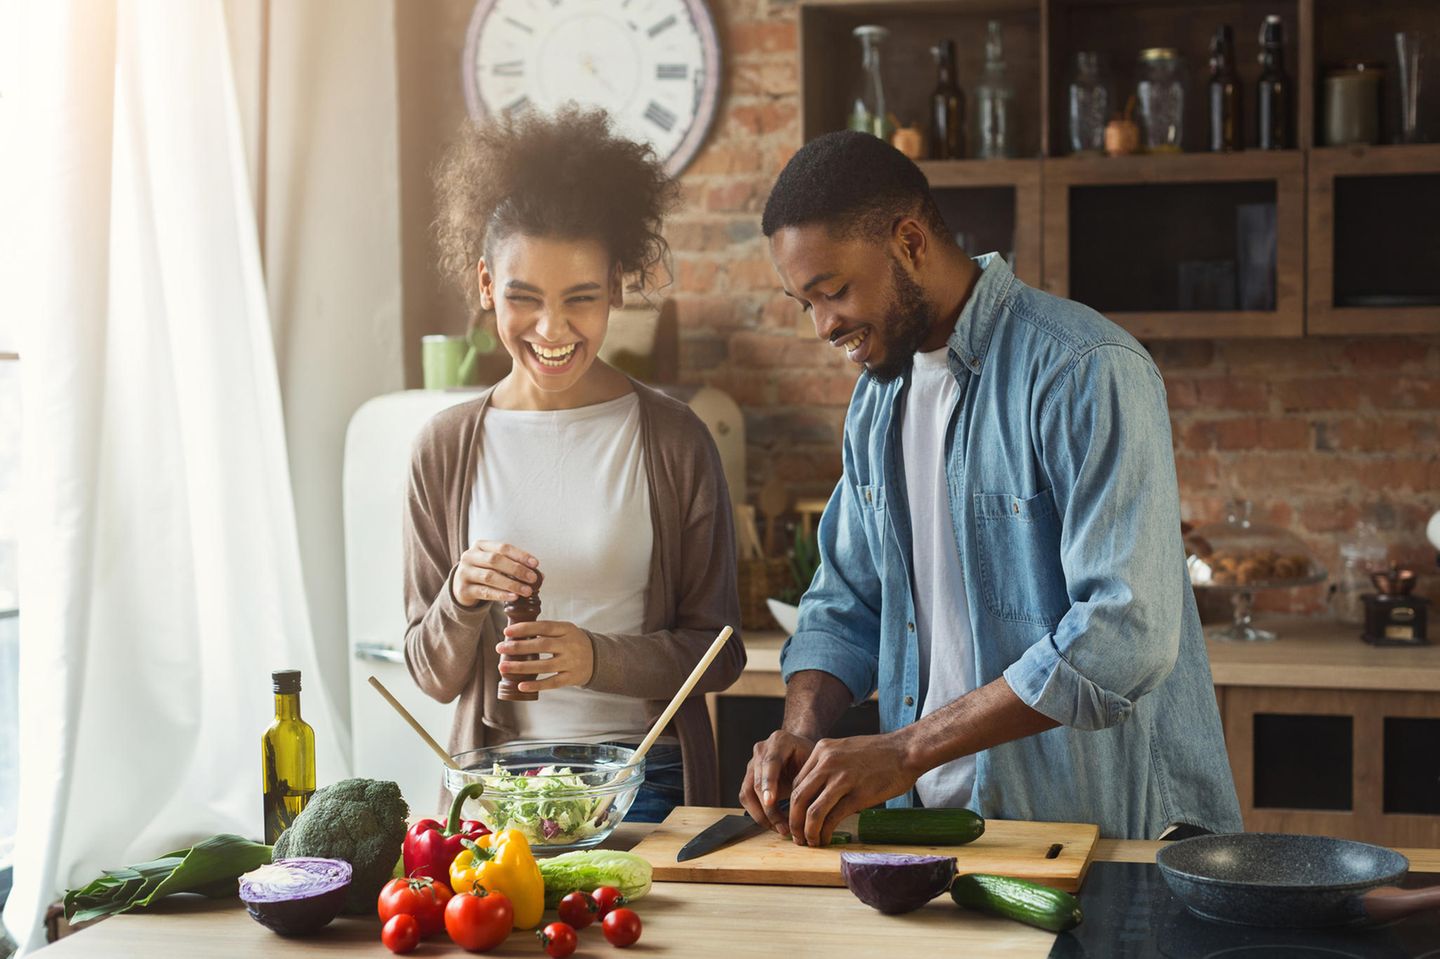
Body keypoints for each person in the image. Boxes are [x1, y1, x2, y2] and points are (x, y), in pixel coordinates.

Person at [739, 131, 1242, 843]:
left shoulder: (1084, 369)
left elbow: (1123, 633)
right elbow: (844, 599)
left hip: (1101, 833)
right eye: (804, 304)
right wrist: (800, 730)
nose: (824, 326)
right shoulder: (878, 399)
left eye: (836, 291)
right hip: (933, 830)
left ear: (910, 241)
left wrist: (906, 749)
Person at [404, 106, 744, 822]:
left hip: (644, 781)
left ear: (617, 286)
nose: (552, 331)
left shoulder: (676, 441)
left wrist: (597, 658)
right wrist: (461, 599)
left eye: (581, 300)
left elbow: (722, 653)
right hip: (496, 789)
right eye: (524, 298)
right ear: (487, 283)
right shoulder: (443, 448)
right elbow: (430, 673)